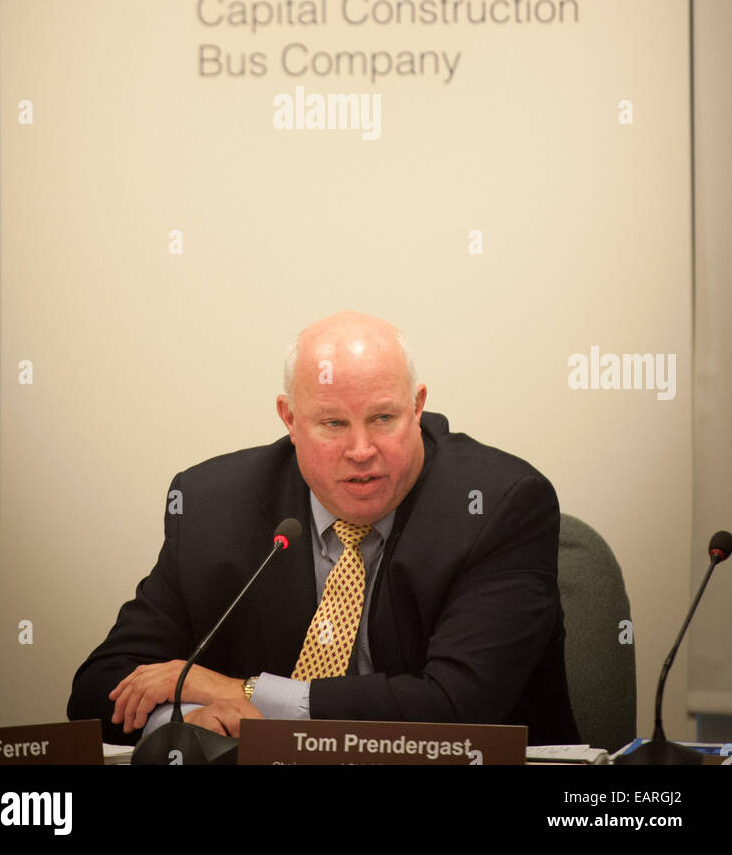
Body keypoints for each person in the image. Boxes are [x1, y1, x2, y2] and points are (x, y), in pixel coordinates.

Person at [67, 311, 579, 744]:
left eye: (383, 418)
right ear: (289, 419)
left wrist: (241, 691)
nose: (361, 450)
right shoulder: (212, 507)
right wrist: (186, 723)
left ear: (417, 407)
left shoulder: (499, 507)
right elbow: (100, 687)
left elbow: (455, 707)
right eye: (333, 424)